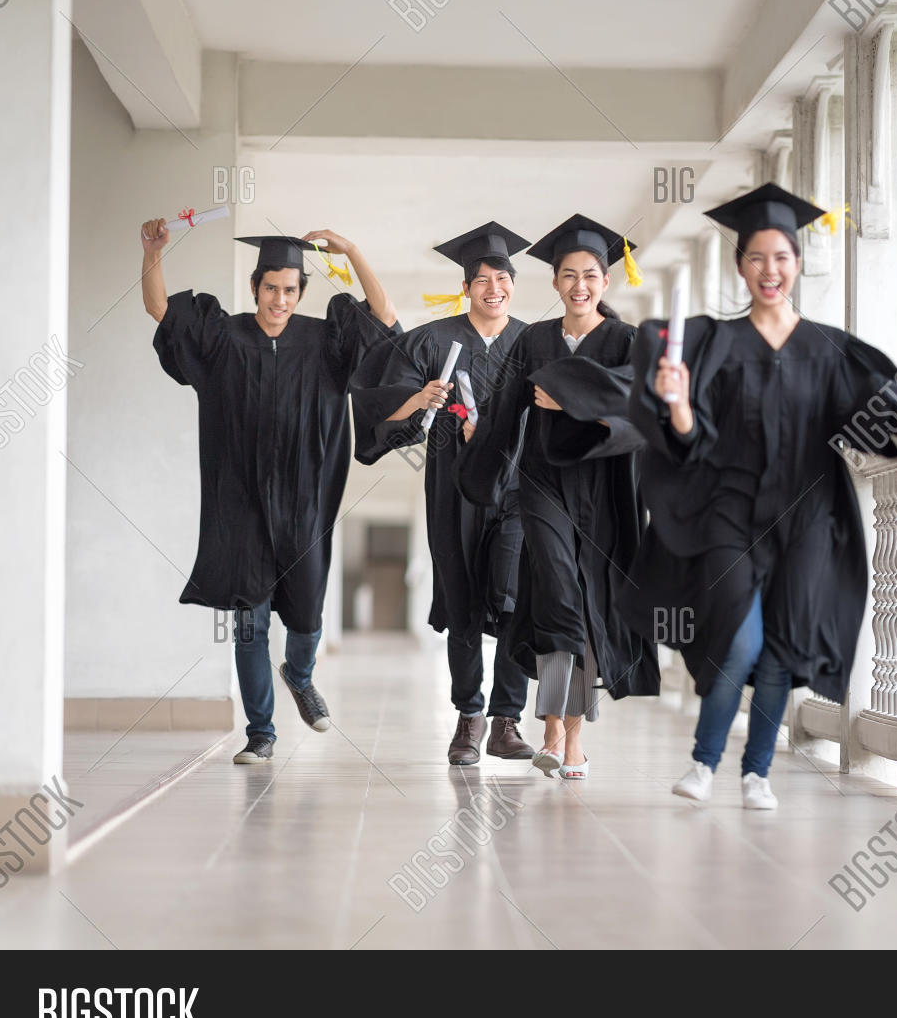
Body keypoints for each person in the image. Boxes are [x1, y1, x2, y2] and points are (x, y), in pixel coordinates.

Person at [625, 184, 897, 808]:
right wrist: (678, 400)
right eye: (758, 258)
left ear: (796, 263)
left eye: (782, 257)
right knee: (739, 635)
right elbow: (688, 441)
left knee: (783, 643)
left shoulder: (828, 348)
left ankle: (756, 772)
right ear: (741, 266)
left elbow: (868, 425)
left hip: (809, 510)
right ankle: (706, 763)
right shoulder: (715, 344)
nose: (770, 270)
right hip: (727, 510)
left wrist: (886, 412)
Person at [141, 223, 400, 764]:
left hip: (305, 500)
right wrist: (153, 253)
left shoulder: (326, 342)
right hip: (241, 504)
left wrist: (352, 249)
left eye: (290, 290)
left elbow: (384, 319)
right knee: (249, 622)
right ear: (255, 287)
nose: (279, 299)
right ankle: (261, 733)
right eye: (270, 288)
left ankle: (300, 676)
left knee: (306, 615)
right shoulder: (223, 337)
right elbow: (161, 310)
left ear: (301, 292)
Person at [457, 213, 659, 781]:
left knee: (582, 603)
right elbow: (502, 413)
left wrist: (574, 403)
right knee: (558, 595)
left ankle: (565, 739)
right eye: (568, 274)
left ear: (605, 281)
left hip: (603, 489)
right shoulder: (534, 340)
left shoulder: (626, 341)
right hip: (543, 483)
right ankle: (556, 736)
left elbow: (644, 411)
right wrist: (481, 468)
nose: (579, 285)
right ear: (553, 282)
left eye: (590, 274)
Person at [350, 221, 536, 766]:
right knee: (462, 600)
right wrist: (421, 400)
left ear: (512, 284)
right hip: (454, 484)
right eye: (482, 280)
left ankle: (507, 720)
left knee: (513, 598)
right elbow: (381, 401)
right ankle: (469, 719)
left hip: (518, 488)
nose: (493, 288)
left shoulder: (533, 341)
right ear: (467, 287)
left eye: (502, 278)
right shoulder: (434, 340)